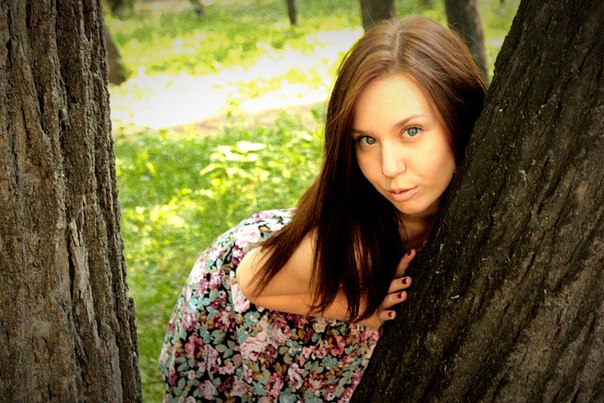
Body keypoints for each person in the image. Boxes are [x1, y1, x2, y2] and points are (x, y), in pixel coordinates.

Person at [159, 15, 485, 402]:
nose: (388, 167)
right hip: (233, 306)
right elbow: (252, 279)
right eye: (366, 140)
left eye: (411, 131)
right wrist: (362, 310)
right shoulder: (356, 248)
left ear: (459, 117)